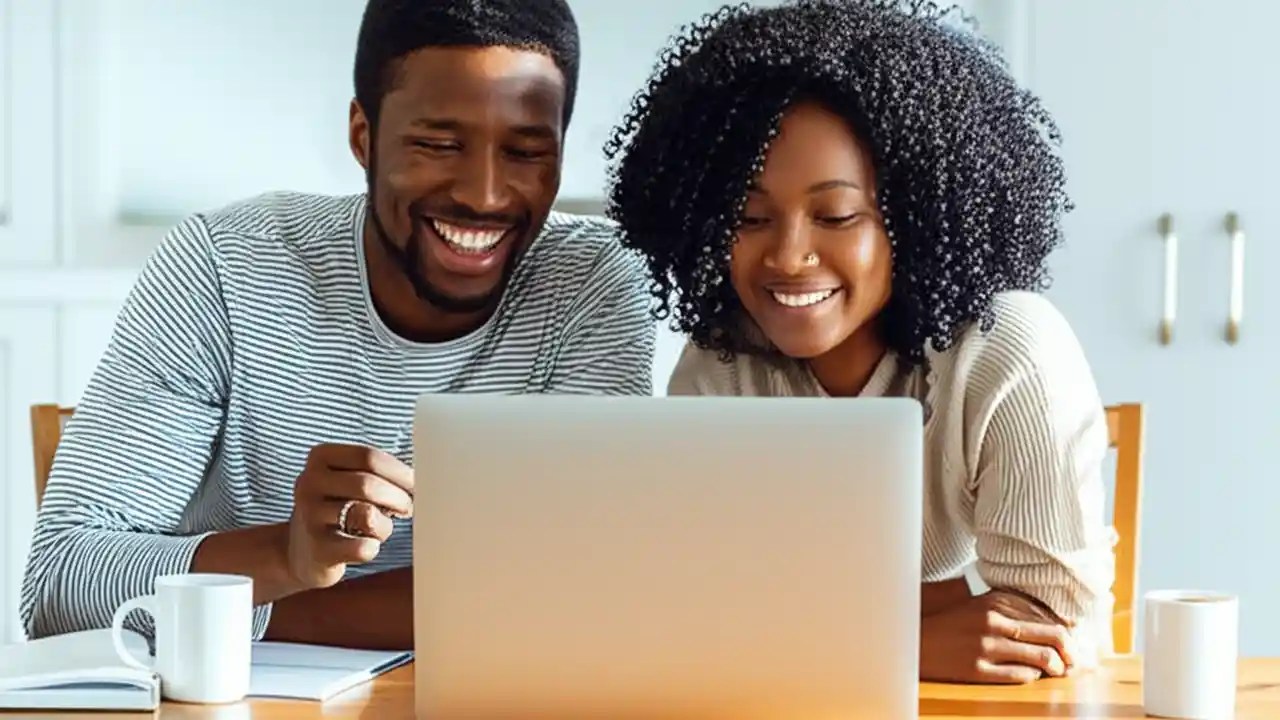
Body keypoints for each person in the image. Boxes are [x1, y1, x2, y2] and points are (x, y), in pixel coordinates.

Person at [22, 0, 656, 650]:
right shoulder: (227, 265)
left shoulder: (595, 283)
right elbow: (58, 584)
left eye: (526, 152)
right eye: (438, 144)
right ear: (363, 136)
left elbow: (581, 591)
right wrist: (288, 557)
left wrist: (250, 612)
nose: (484, 194)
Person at [605, 0, 1114, 684]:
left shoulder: (1007, 349)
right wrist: (903, 637)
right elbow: (697, 612)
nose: (788, 256)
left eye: (836, 215)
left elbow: (1049, 628)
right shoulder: (721, 366)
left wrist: (790, 623)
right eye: (749, 216)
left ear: (914, 215)